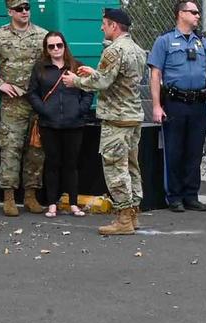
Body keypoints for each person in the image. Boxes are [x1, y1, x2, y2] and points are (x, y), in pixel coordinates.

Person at [63, 7, 147, 236]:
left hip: (116, 119)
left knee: (114, 168)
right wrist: (93, 72)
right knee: (131, 167)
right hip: (132, 116)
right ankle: (133, 213)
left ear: (114, 25)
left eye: (104, 23)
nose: (102, 27)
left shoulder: (114, 50)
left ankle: (123, 218)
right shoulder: (137, 49)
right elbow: (119, 79)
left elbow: (102, 83)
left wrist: (76, 80)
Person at [0, 0, 48, 216]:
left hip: (36, 103)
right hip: (12, 104)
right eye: (19, 9)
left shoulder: (43, 36)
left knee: (36, 149)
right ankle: (8, 197)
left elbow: (55, 62)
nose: (24, 12)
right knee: (10, 149)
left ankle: (31, 196)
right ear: (10, 12)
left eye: (27, 8)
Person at [148, 2, 206, 212]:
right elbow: (155, 74)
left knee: (194, 152)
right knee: (174, 151)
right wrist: (156, 105)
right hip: (174, 103)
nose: (198, 16)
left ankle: (191, 195)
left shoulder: (202, 42)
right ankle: (174, 196)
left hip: (198, 104)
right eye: (194, 12)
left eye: (198, 12)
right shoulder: (165, 41)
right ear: (181, 14)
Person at [28, 31, 93, 218]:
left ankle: (73, 203)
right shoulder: (40, 68)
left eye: (59, 45)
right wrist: (44, 109)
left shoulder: (77, 66)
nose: (56, 49)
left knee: (71, 164)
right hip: (49, 124)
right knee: (52, 163)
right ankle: (51, 204)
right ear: (46, 49)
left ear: (65, 46)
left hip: (74, 123)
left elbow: (89, 90)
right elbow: (32, 92)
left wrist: (81, 109)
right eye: (51, 46)